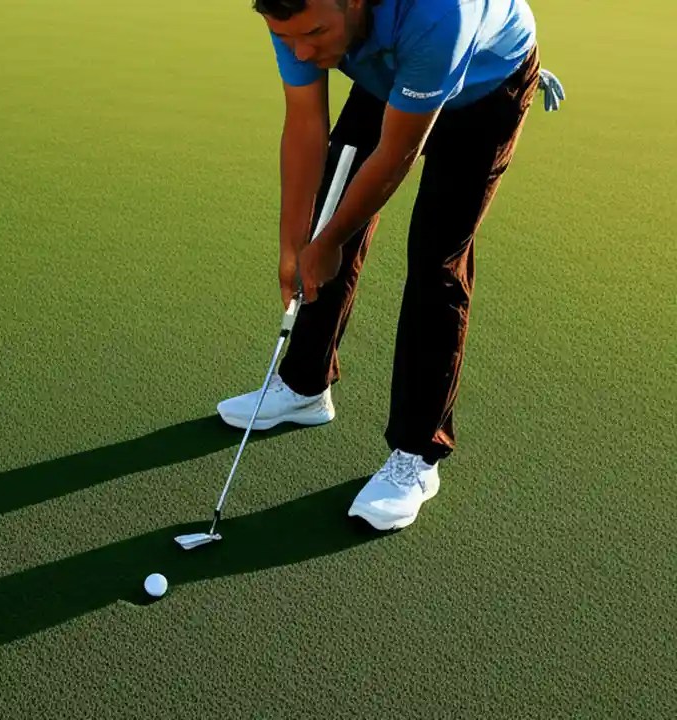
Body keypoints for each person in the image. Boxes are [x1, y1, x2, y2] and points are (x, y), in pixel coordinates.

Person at [217, 0, 565, 530]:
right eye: (288, 39)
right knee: (323, 224)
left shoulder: (437, 14)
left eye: (313, 34)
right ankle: (304, 387)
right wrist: (296, 246)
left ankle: (417, 456)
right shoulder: (296, 16)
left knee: (436, 258)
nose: (303, 51)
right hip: (389, 69)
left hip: (487, 84)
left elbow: (397, 152)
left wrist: (328, 241)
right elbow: (305, 124)